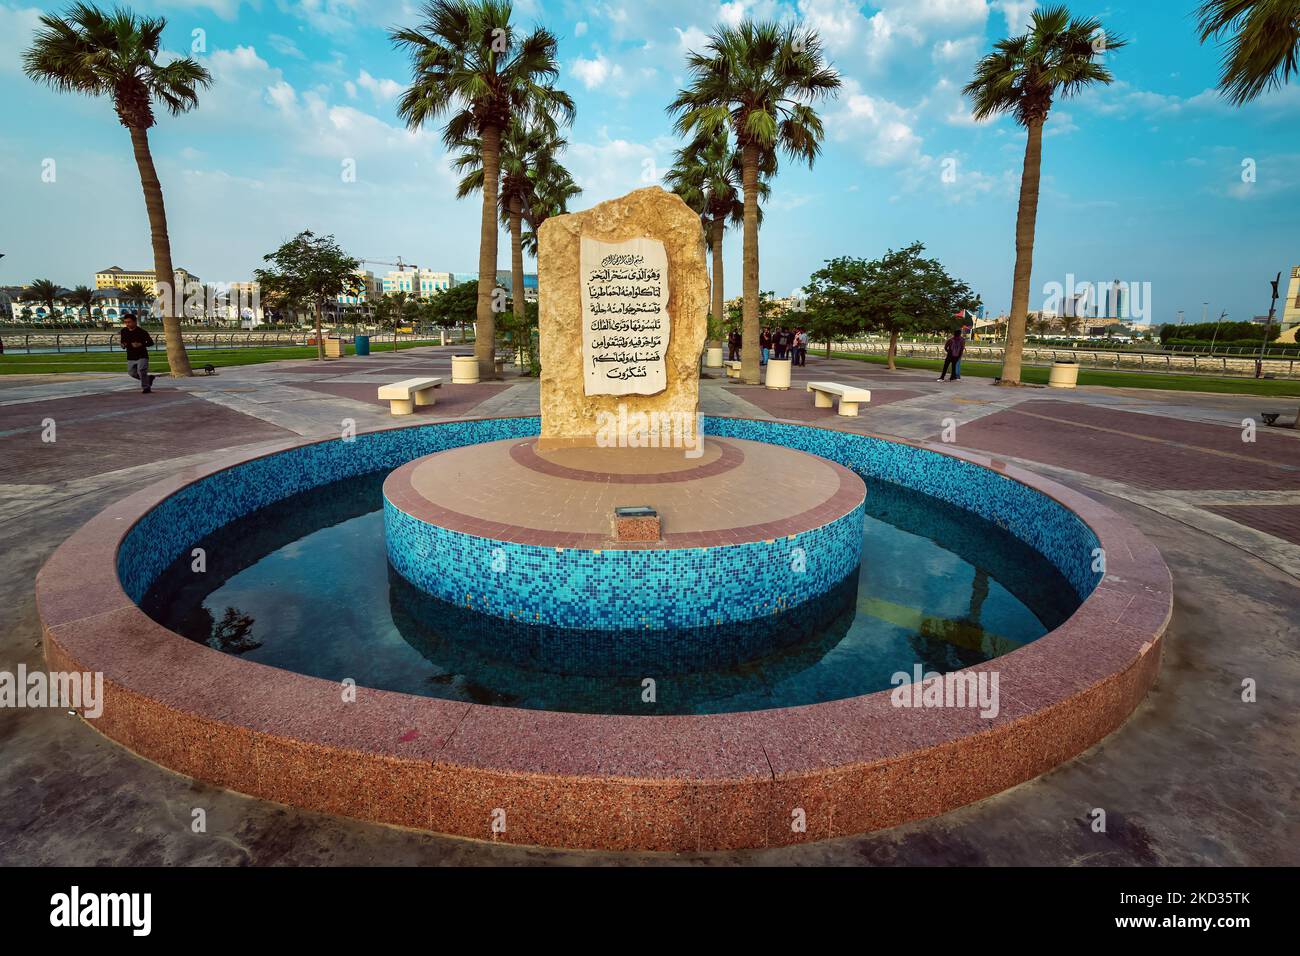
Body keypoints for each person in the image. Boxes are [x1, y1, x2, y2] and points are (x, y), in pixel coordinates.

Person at [120, 312, 157, 393]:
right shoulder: (123, 331)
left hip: (142, 355)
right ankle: (149, 379)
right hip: (130, 356)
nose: (127, 324)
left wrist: (140, 344)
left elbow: (151, 343)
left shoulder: (142, 332)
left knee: (141, 371)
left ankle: (146, 388)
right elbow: (123, 342)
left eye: (129, 322)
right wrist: (123, 345)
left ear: (135, 321)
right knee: (131, 373)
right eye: (125, 322)